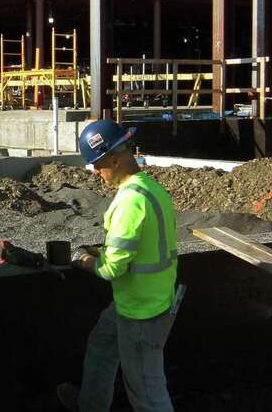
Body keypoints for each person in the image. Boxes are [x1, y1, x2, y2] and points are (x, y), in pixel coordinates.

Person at [58, 120, 179, 412]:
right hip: (153, 297)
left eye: (98, 165)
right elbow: (141, 246)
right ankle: (91, 405)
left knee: (147, 392)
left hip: (141, 312)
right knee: (102, 343)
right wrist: (101, 249)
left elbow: (112, 269)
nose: (96, 173)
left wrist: (82, 259)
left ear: (115, 157)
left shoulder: (129, 201)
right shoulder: (151, 188)